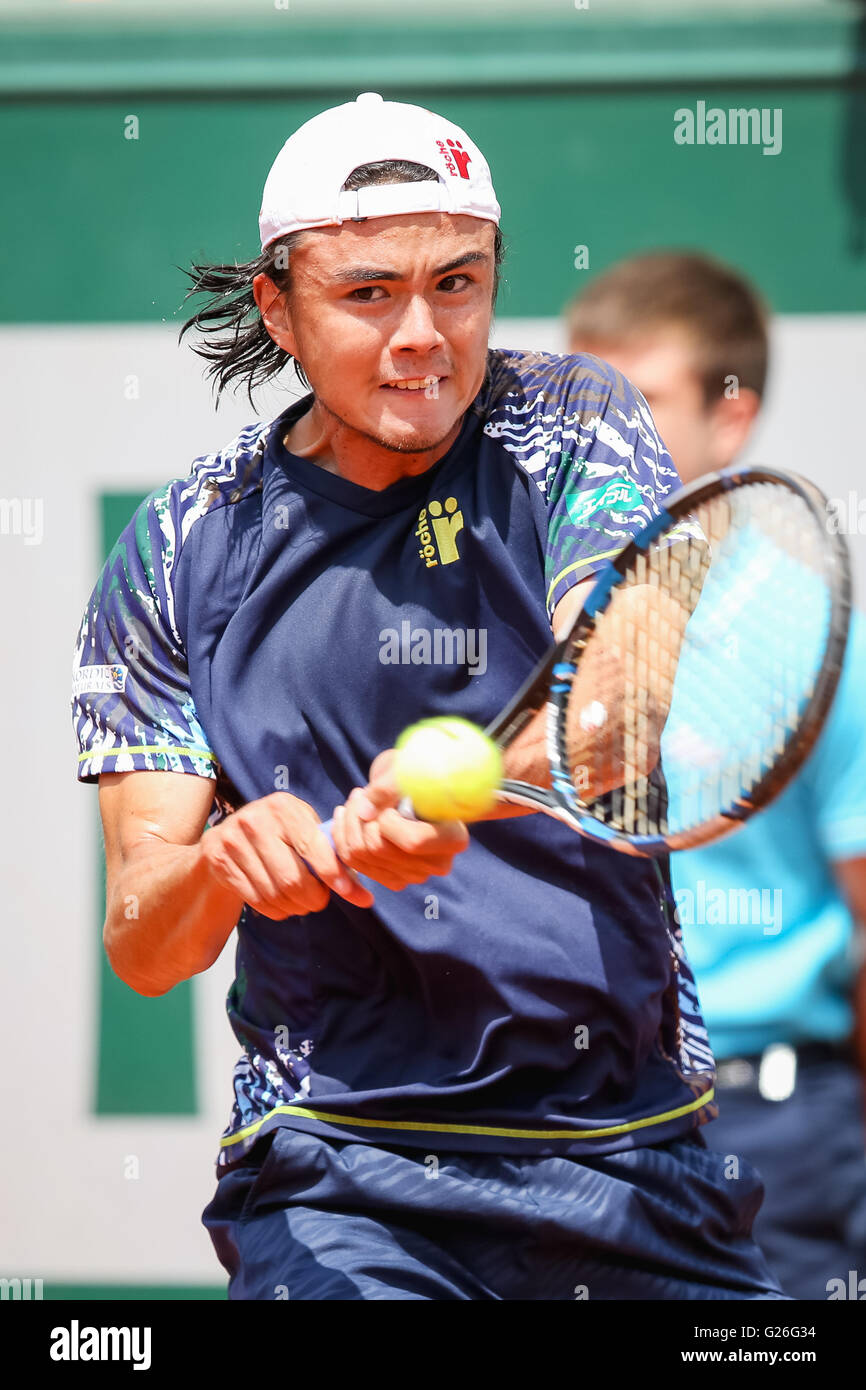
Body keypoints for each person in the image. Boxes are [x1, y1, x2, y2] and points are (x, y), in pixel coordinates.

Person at [71, 96, 786, 1302]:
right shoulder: (176, 549)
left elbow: (618, 719)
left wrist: (471, 778)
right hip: (334, 1169)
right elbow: (144, 940)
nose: (422, 334)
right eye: (367, 294)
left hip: (627, 1154)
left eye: (456, 283)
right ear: (277, 307)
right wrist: (222, 866)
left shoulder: (575, 421)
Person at [567, 250, 866, 1300]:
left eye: (637, 400)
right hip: (562, 1123)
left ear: (727, 419)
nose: (598, 436)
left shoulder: (814, 635)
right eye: (583, 400)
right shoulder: (525, 617)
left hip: (769, 1132)